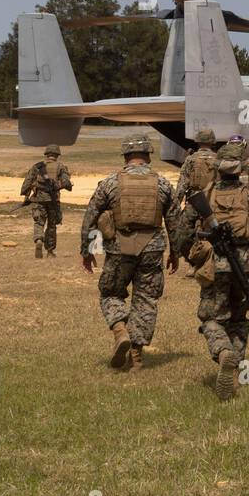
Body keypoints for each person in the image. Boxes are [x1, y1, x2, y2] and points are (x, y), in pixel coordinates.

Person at [173, 142, 249, 400]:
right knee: (239, 319)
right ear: (241, 169)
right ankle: (233, 368)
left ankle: (223, 353)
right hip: (244, 267)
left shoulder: (205, 196)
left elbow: (182, 232)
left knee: (211, 317)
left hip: (213, 265)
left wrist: (193, 257)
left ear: (218, 168)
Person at [79, 135, 179, 371]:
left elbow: (90, 218)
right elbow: (175, 222)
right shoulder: (163, 184)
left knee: (110, 293)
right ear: (148, 155)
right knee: (145, 300)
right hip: (152, 248)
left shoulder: (110, 183)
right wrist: (175, 253)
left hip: (118, 249)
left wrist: (88, 250)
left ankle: (120, 330)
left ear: (125, 156)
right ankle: (136, 355)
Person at [20, 144, 72, 258]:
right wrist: (61, 186)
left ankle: (39, 239)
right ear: (57, 155)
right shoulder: (61, 167)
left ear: (46, 154)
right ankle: (50, 251)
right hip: (53, 200)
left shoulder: (37, 166)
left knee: (39, 222)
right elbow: (67, 183)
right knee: (52, 225)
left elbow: (27, 183)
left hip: (38, 199)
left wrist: (26, 197)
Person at [172, 127, 219, 210]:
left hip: (194, 204)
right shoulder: (219, 159)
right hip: (214, 203)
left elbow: (182, 185)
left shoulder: (190, 159)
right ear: (212, 142)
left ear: (198, 141)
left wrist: (175, 206)